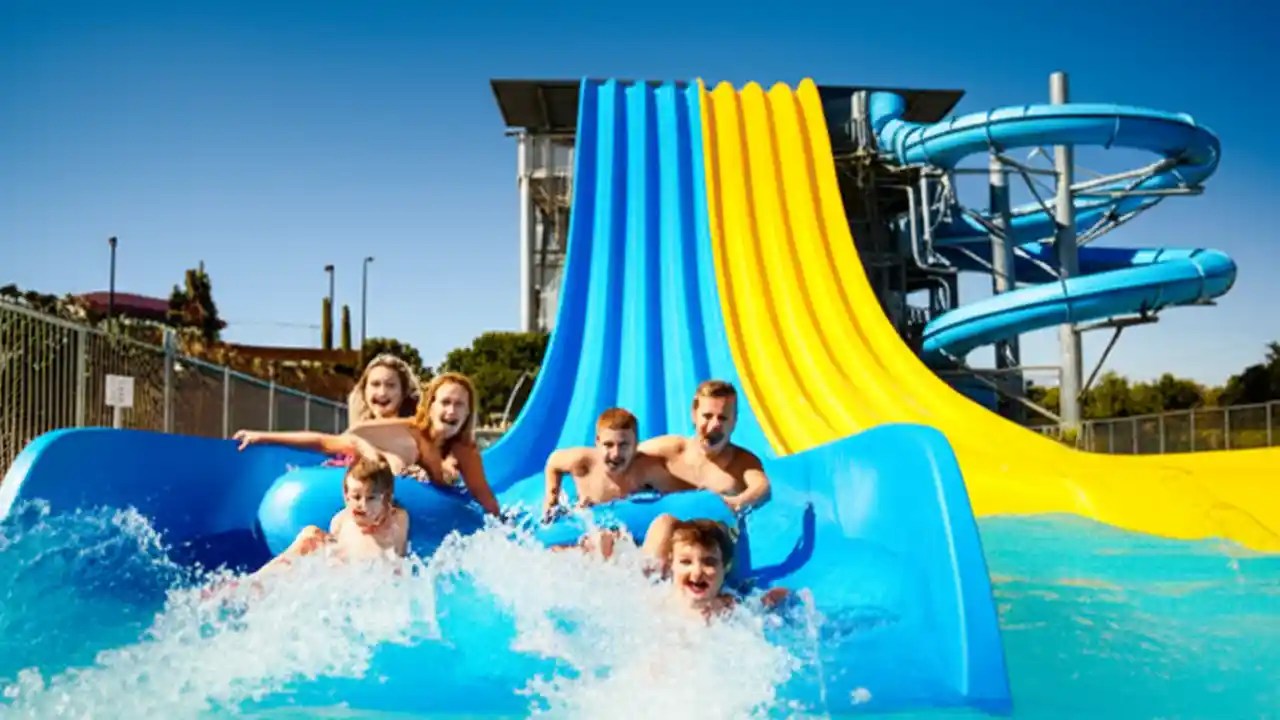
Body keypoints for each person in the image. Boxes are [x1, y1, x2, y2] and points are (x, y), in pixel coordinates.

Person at [234, 372, 501, 516]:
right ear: (430, 406)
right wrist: (263, 436)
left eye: (459, 405)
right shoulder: (407, 431)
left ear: (468, 413)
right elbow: (335, 440)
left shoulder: (464, 450)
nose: (451, 411)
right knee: (399, 454)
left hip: (424, 503)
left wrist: (504, 527)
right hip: (373, 483)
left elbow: (485, 497)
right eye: (445, 402)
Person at [636, 380, 772, 570]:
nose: (714, 424)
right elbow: (622, 460)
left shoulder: (742, 462)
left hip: (714, 548)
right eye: (707, 416)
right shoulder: (670, 451)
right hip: (674, 546)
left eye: (723, 418)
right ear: (694, 414)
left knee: (690, 538)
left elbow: (762, 487)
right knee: (663, 525)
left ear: (734, 422)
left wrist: (738, 501)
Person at [255, 455, 409, 575]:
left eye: (371, 498)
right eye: (356, 497)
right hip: (342, 579)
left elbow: (396, 530)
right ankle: (258, 581)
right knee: (311, 534)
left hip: (374, 582)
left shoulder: (396, 519)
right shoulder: (341, 520)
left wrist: (382, 518)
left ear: (386, 498)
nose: (363, 505)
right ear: (346, 495)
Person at [541, 407, 688, 521]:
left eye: (624, 445)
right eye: (608, 445)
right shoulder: (583, 463)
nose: (616, 454)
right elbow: (553, 462)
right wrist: (551, 497)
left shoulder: (646, 470)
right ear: (597, 442)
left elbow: (686, 491)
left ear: (636, 444)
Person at [658, 518, 790, 620]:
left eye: (709, 563)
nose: (697, 572)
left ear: (725, 567)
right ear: (671, 564)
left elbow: (784, 595)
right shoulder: (656, 600)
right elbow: (664, 521)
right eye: (686, 562)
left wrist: (769, 600)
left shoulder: (730, 608)